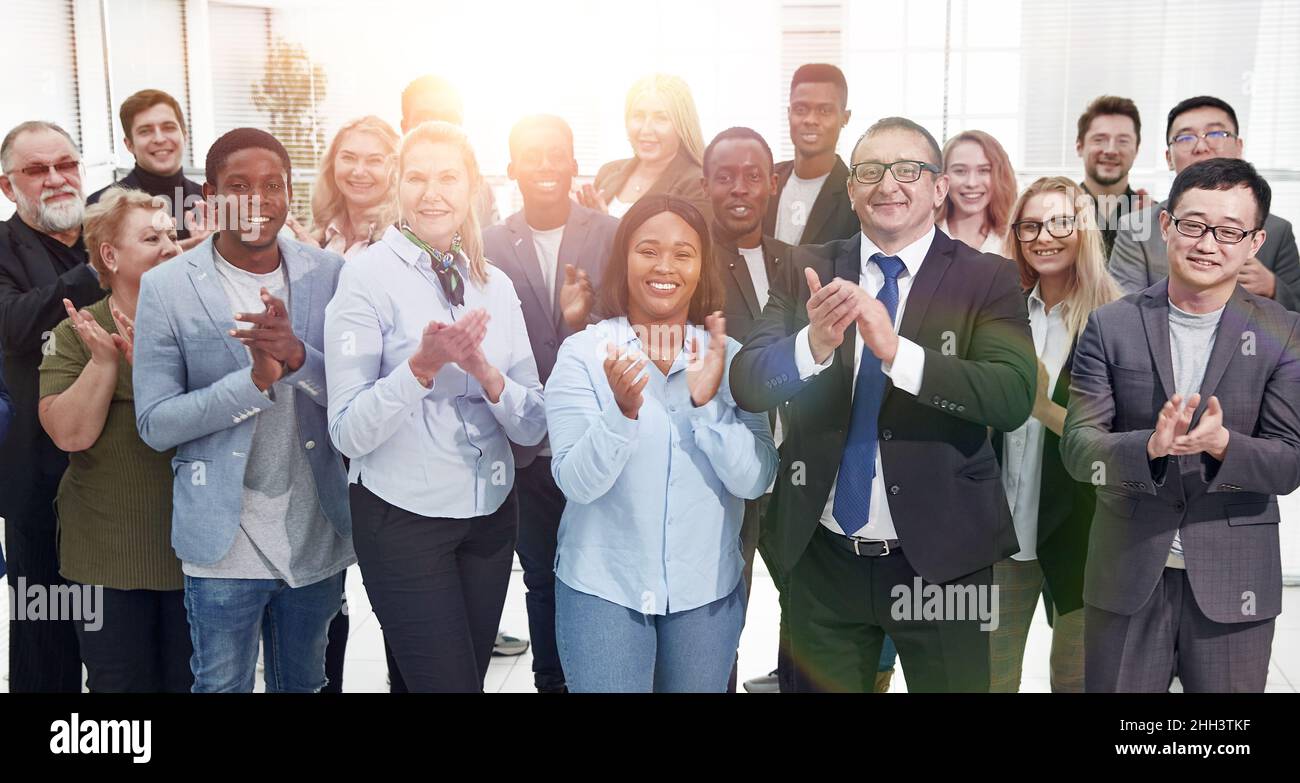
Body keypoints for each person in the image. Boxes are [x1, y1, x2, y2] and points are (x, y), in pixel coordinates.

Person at [730, 116, 1036, 693]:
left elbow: (1010, 396)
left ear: (938, 188)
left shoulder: (987, 278)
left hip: (944, 564)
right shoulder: (808, 268)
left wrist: (898, 352)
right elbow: (748, 381)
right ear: (852, 190)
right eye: (869, 171)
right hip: (822, 556)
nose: (886, 184)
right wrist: (814, 344)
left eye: (907, 170)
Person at [1062, 158, 1300, 692]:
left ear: (1254, 241)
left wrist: (1223, 445)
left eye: (1229, 231)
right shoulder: (1112, 324)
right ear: (1166, 225)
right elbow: (1079, 448)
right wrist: (1148, 446)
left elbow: (1289, 463)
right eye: (1192, 225)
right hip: (1127, 574)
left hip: (1235, 581)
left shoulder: (1282, 333)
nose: (1207, 243)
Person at [326, 120, 546, 692]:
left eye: (448, 177)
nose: (432, 193)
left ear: (473, 186)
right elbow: (348, 433)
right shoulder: (365, 278)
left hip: (491, 519)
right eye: (417, 177)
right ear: (397, 185)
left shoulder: (494, 284)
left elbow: (532, 424)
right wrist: (419, 370)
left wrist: (486, 373)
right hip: (403, 521)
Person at [133, 128, 355, 693]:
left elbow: (357, 395)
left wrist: (297, 356)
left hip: (314, 530)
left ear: (289, 193)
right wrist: (254, 381)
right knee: (221, 685)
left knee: (303, 683)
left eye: (273, 185)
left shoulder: (328, 275)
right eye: (239, 186)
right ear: (209, 196)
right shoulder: (166, 286)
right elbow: (156, 424)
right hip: (222, 540)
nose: (258, 200)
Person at [545, 194, 777, 692]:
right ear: (623, 259)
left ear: (701, 267)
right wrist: (621, 415)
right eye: (647, 250)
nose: (664, 266)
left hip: (705, 591)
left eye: (683, 253)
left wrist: (707, 404)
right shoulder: (584, 354)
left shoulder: (729, 357)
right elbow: (576, 483)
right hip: (603, 588)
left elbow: (756, 478)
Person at [482, 114, 618, 693]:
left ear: (572, 164)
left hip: (596, 431)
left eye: (555, 154)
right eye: (530, 156)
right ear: (512, 169)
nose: (543, 166)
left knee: (600, 571)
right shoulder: (486, 242)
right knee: (540, 575)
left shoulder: (611, 233)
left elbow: (630, 319)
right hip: (525, 446)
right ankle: (551, 682)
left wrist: (577, 324)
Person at [37, 187, 191, 692]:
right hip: (108, 553)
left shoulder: (203, 326)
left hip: (196, 552)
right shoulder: (74, 333)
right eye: (151, 238)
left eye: (171, 234)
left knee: (192, 682)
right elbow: (70, 433)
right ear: (110, 256)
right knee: (119, 688)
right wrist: (104, 364)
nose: (170, 246)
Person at [989, 177, 1122, 692]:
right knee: (991, 680)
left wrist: (1042, 407)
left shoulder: (1117, 321)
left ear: (1083, 229)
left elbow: (1117, 445)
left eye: (1061, 221)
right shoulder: (1002, 315)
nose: (1044, 236)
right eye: (1030, 225)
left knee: (1078, 679)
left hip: (1084, 538)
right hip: (1002, 535)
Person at [0, 120, 100, 692]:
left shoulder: (108, 232)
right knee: (47, 637)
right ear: (9, 186)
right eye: (38, 170)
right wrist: (97, 271)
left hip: (121, 473)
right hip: (42, 480)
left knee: (123, 642)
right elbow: (14, 326)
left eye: (66, 165)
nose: (58, 180)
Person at [1109, 96, 1300, 312]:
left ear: (1239, 147)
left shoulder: (1277, 231)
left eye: (1216, 134)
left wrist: (1273, 288)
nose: (1201, 146)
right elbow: (1123, 315)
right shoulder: (1137, 226)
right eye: (1185, 137)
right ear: (1168, 158)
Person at [88, 89, 210, 250]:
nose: (159, 139)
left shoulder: (211, 202)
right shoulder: (102, 207)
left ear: (185, 136)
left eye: (168, 127)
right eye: (145, 131)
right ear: (129, 144)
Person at [580, 74, 709, 221]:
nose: (646, 129)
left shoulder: (698, 185)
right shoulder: (608, 172)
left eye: (661, 118)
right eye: (638, 116)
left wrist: (604, 226)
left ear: (683, 126)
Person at [764, 63, 858, 247]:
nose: (810, 120)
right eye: (801, 109)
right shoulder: (766, 180)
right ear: (789, 113)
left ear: (845, 118)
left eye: (824, 111)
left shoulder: (855, 194)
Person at [400, 75, 500, 229]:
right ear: (404, 127)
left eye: (448, 118)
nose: (438, 128)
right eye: (425, 119)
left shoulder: (481, 192)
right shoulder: (376, 186)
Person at [306, 115, 400, 260]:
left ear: (395, 169)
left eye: (374, 160)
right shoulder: (320, 232)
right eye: (348, 158)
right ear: (332, 163)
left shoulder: (401, 238)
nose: (359, 172)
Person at [1075, 96, 1146, 255]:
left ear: (1136, 149)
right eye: (1099, 139)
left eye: (1123, 141)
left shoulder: (1155, 217)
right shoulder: (1056, 213)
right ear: (1079, 146)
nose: (1111, 150)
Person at [937, 130, 1016, 254]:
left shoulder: (1016, 242)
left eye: (984, 170)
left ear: (1000, 176)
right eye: (960, 171)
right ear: (942, 177)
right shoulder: (922, 238)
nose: (971, 183)